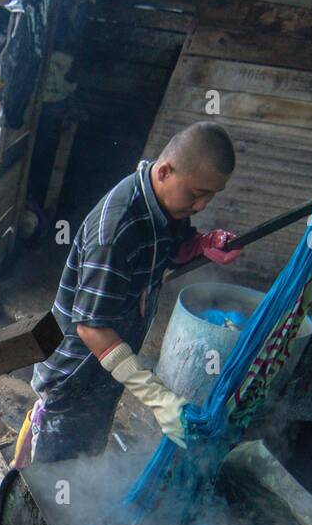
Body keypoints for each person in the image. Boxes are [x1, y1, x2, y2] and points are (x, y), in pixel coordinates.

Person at [16, 121, 244, 466]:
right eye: (198, 194)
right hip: (75, 374)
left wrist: (202, 244)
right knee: (56, 473)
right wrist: (156, 397)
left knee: (87, 454)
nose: (201, 206)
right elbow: (91, 328)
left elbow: (171, 250)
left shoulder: (166, 205)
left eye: (212, 195)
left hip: (108, 363)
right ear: (165, 171)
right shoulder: (117, 230)